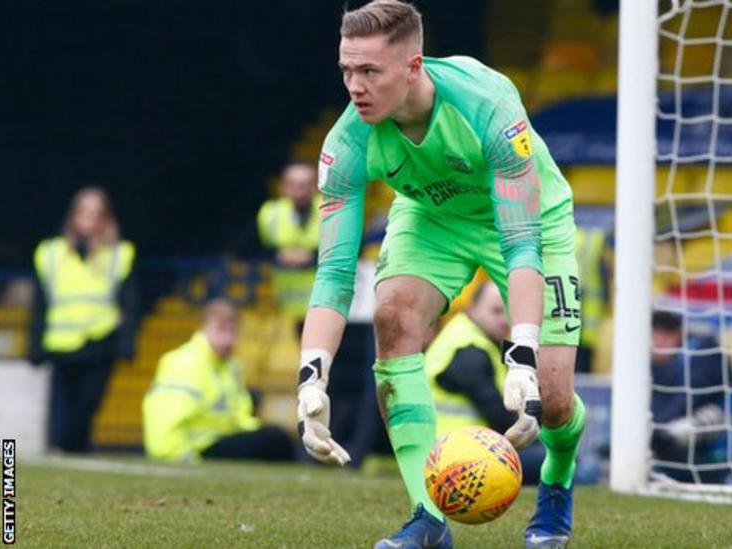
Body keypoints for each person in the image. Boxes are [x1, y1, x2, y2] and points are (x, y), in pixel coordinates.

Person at [296, 2, 586, 547]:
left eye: (369, 72)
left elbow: (521, 241)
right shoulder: (346, 144)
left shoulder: (487, 103)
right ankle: (427, 519)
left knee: (552, 399)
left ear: (413, 66)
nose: (354, 87)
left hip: (530, 218)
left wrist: (520, 351)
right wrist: (312, 377)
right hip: (432, 217)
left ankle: (557, 481)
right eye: (346, 71)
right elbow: (334, 273)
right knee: (392, 316)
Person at [29, 187, 138, 454]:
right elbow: (40, 305)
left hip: (100, 341)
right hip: (62, 345)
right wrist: (35, 344)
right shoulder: (51, 253)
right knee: (64, 411)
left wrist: (126, 342)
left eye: (97, 213)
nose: (91, 219)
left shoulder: (119, 254)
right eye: (85, 212)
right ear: (73, 216)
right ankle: (68, 450)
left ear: (106, 218)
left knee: (88, 404)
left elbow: (130, 303)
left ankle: (71, 448)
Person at [143, 299, 296, 463]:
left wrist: (255, 430)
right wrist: (177, 455)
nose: (228, 339)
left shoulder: (230, 366)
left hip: (221, 439)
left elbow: (240, 416)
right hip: (198, 447)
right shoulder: (185, 362)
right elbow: (165, 418)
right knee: (275, 439)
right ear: (202, 328)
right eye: (221, 330)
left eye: (233, 331)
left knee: (278, 437)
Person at [425, 281, 545, 484]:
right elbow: (500, 416)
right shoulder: (469, 350)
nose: (504, 320)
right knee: (563, 461)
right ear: (472, 309)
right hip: (457, 456)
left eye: (508, 312)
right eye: (496, 311)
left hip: (450, 450)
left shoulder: (463, 335)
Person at [650, 311, 732, 485]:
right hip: (662, 437)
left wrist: (659, 429)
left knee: (697, 420)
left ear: (680, 334)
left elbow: (692, 397)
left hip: (707, 438)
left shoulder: (702, 352)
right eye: (656, 333)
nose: (660, 340)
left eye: (668, 333)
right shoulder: (646, 364)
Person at [257, 162, 321, 323]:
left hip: (322, 300)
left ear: (315, 186)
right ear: (283, 186)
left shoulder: (330, 210)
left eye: (305, 184)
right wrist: (278, 254)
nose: (299, 190)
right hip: (282, 300)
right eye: (292, 184)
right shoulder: (269, 213)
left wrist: (312, 257)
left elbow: (352, 250)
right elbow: (255, 251)